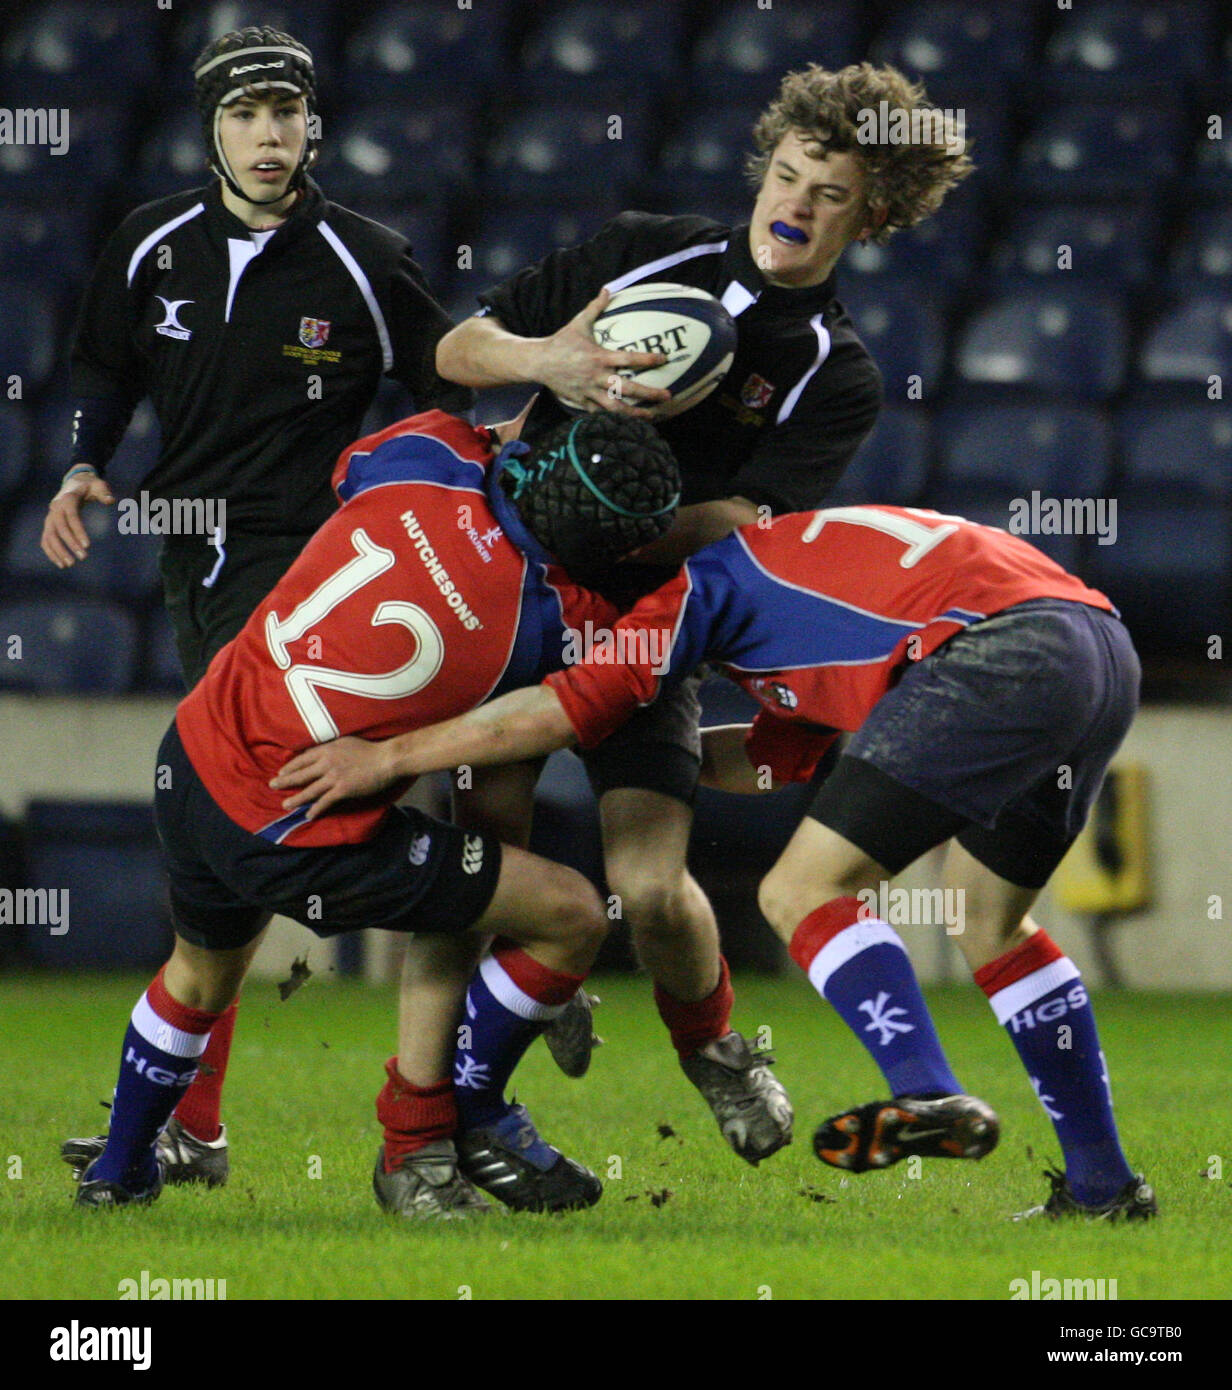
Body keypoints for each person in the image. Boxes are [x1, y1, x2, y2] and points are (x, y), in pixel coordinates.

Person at [277, 503, 1156, 1221]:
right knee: (986, 918)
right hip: (1096, 644)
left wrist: (389, 759)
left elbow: (558, 710)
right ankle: (1104, 1187)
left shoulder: (704, 583)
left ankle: (924, 1092)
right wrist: (650, 760)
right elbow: (774, 760)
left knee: (802, 890)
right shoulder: (800, 571)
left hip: (995, 653)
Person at [433, 61, 972, 1163]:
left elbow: (751, 524)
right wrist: (549, 364)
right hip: (512, 584)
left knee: (646, 883)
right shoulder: (646, 248)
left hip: (652, 615)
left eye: (829, 193)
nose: (797, 204)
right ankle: (528, 987)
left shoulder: (837, 373)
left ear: (869, 213)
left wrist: (625, 506)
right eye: (786, 175)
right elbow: (453, 350)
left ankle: (717, 1052)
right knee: (487, 854)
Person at [68, 405, 682, 1218]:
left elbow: (379, 457)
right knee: (570, 913)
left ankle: (120, 1171)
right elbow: (601, 677)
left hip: (195, 754)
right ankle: (441, 1130)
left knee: (200, 974)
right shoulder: (548, 624)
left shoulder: (427, 456)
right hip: (296, 831)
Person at [47, 26, 471, 1189]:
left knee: (234, 818)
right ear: (213, 128)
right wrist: (87, 464)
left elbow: (446, 386)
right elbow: (101, 366)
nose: (269, 134)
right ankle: (207, 1121)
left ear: (313, 126)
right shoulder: (153, 245)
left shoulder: (364, 257)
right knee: (231, 835)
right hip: (195, 560)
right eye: (247, 115)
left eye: (287, 112)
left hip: (311, 569)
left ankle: (266, 1112)